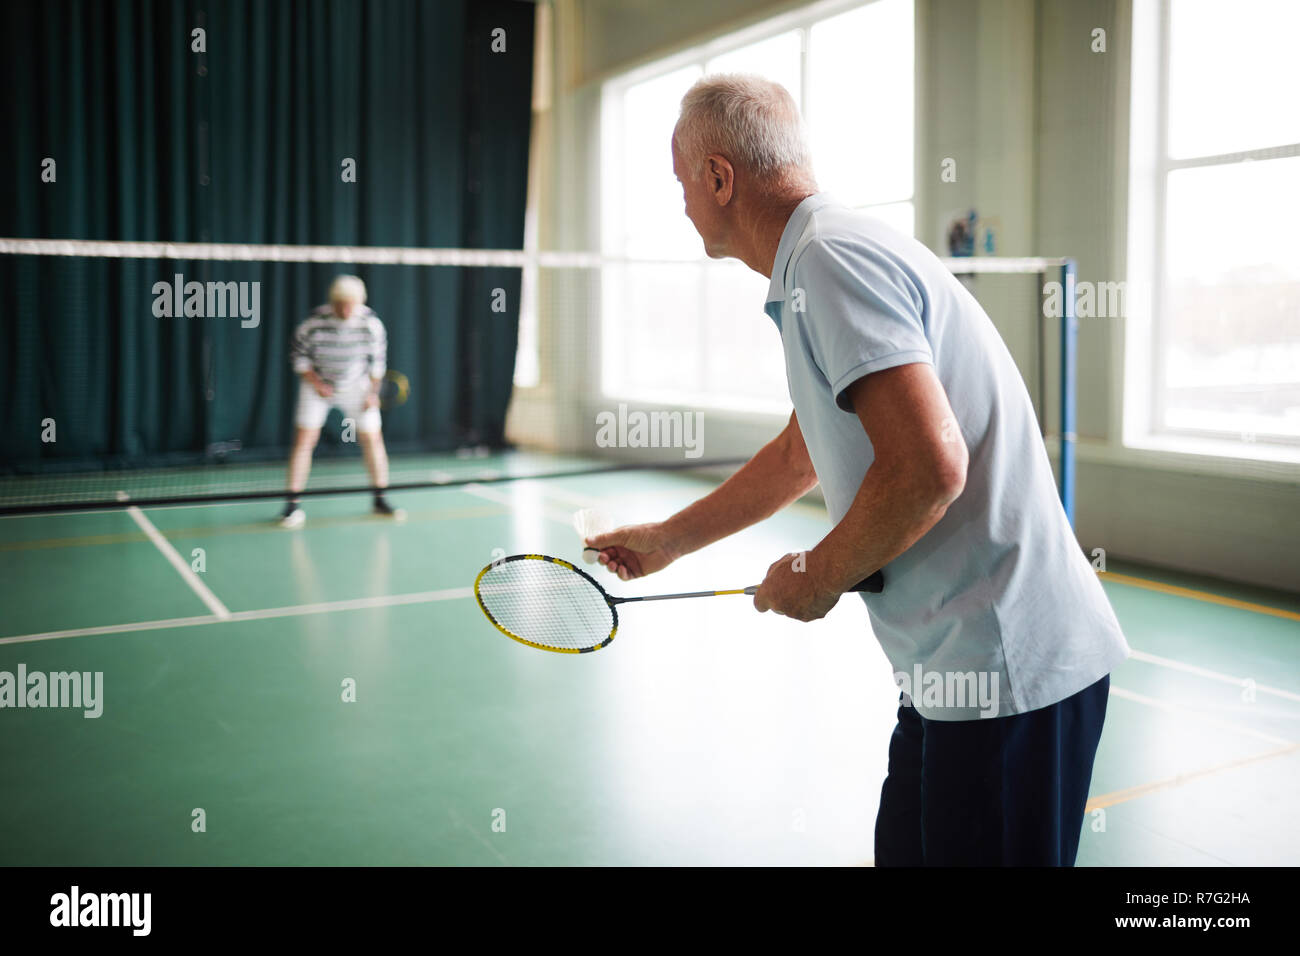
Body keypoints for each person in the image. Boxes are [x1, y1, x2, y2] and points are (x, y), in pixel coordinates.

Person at [585, 74, 1129, 866]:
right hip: (947, 674)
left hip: (1009, 671)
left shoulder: (829, 262)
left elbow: (928, 468)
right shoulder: (819, 261)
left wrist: (819, 573)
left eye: (681, 183)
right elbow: (800, 452)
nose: (682, 204)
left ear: (719, 178)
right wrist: (671, 539)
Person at [280, 274, 404, 528]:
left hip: (357, 386)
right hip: (318, 386)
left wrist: (372, 392)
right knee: (304, 441)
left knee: (372, 439)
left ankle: (380, 498)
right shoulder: (312, 324)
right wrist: (318, 384)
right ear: (332, 302)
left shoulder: (371, 324)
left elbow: (377, 363)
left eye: (351, 304)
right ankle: (292, 506)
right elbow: (298, 358)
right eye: (341, 304)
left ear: (360, 302)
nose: (346, 310)